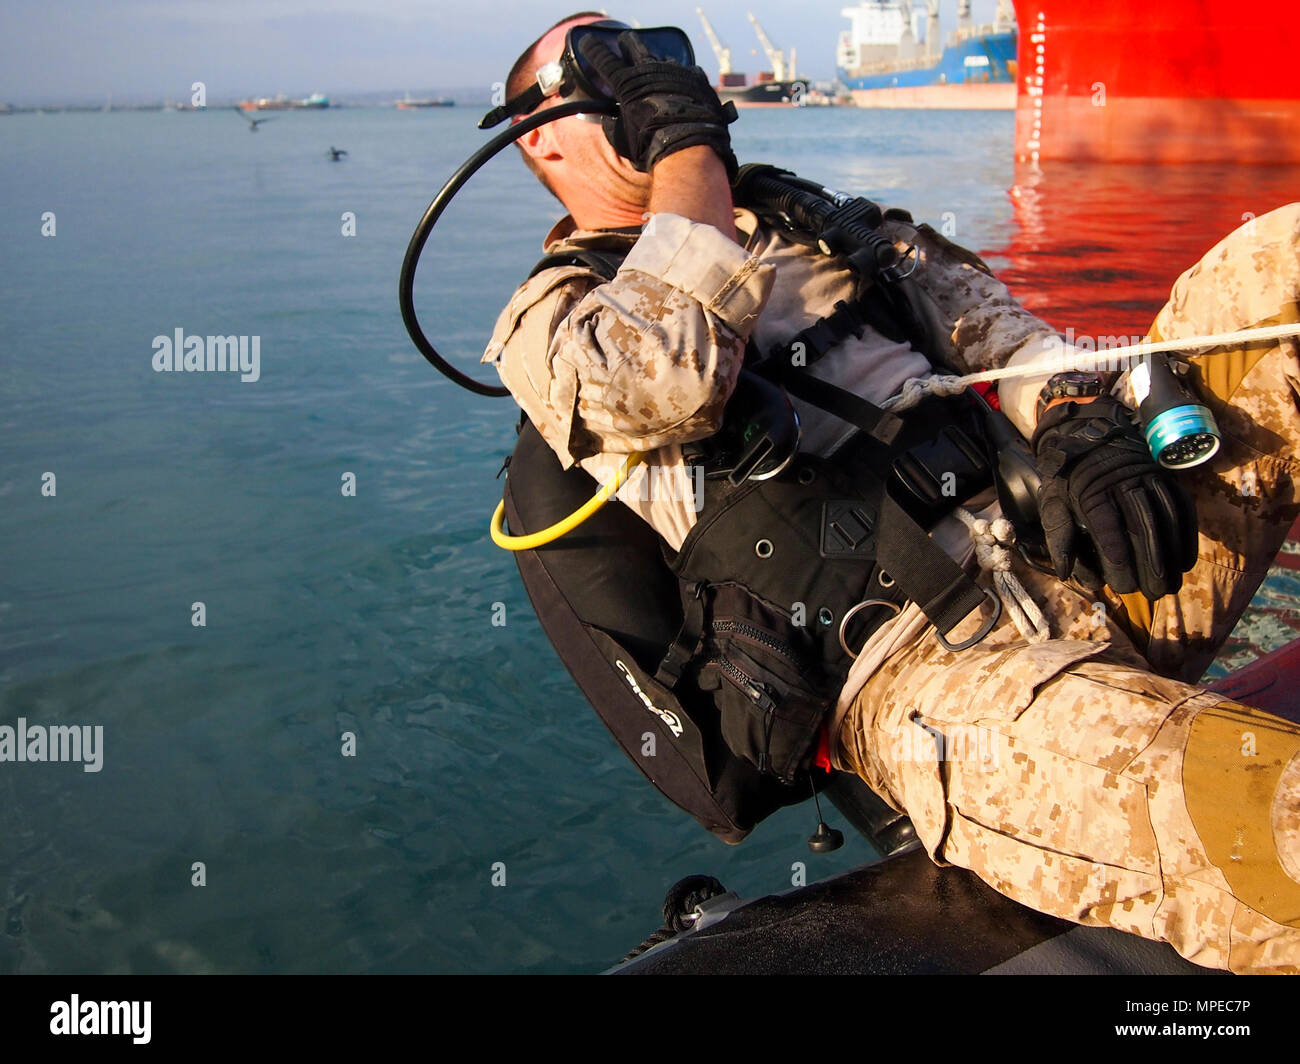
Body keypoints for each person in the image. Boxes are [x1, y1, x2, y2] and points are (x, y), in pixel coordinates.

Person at [481, 12, 1300, 974]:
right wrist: (687, 148)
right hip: (929, 677)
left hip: (1101, 556)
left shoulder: (819, 224)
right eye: (607, 67)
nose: (650, 77)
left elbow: (1014, 341)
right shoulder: (553, 318)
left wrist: (1077, 416)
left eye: (655, 54)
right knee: (1262, 817)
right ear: (540, 134)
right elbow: (665, 376)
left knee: (1275, 261)